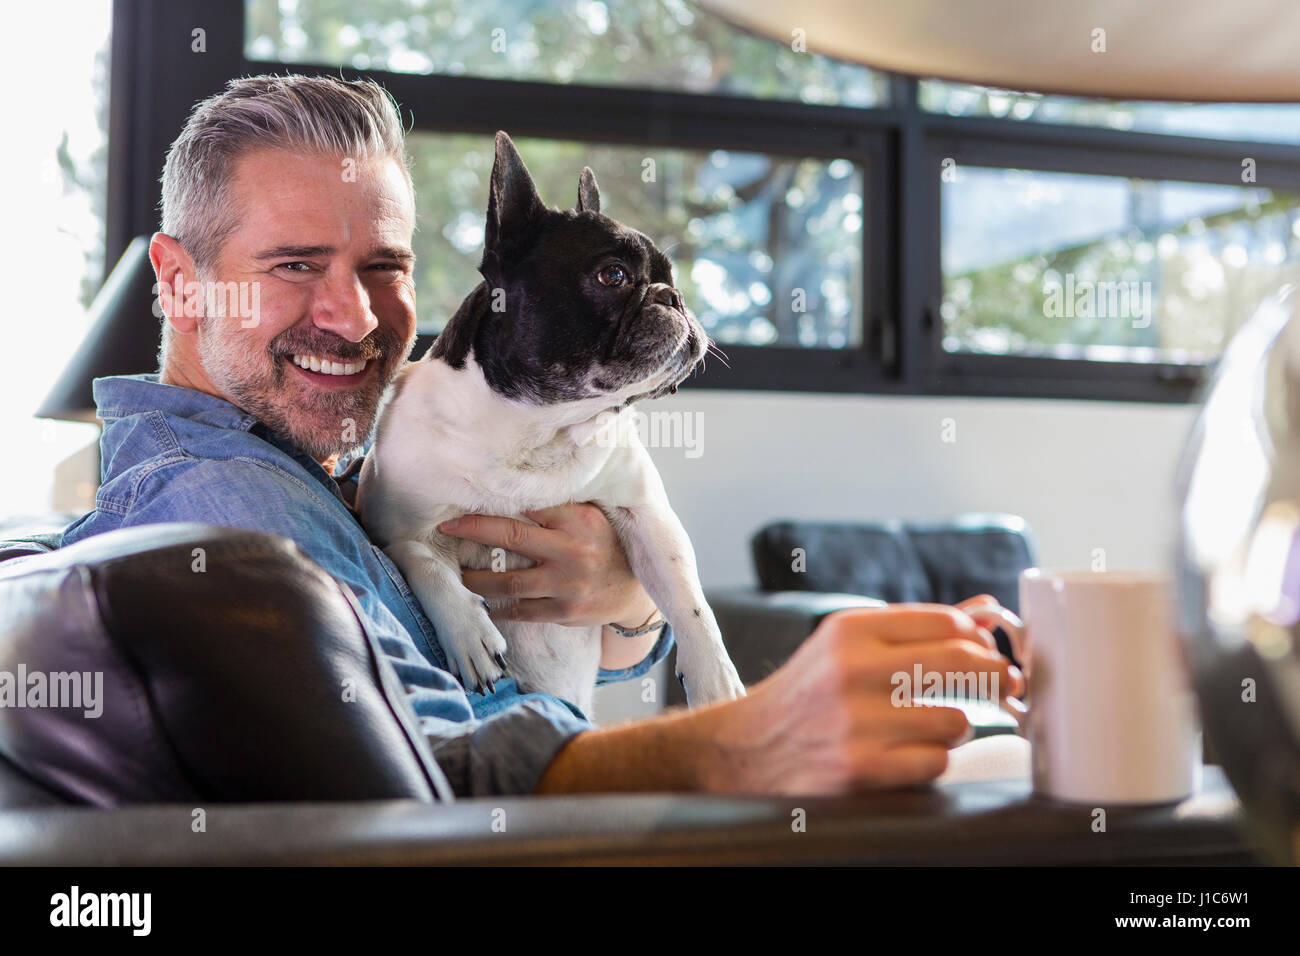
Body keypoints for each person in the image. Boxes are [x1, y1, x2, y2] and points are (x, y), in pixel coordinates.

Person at [62, 73, 1023, 798]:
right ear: (181, 283)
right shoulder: (225, 510)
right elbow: (444, 777)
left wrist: (623, 598)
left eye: (384, 265)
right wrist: (756, 735)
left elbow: (534, 663)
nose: (354, 318)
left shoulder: (324, 469)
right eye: (295, 264)